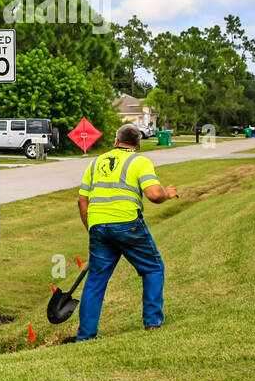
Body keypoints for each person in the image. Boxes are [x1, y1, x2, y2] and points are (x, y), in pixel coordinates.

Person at [75, 123, 180, 341]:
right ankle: (152, 323)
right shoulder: (139, 161)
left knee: (95, 281)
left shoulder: (96, 162)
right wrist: (168, 194)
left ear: (116, 140)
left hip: (98, 227)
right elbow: (153, 194)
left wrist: (93, 229)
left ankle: (85, 336)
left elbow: (82, 200)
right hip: (127, 225)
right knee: (153, 268)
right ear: (138, 144)